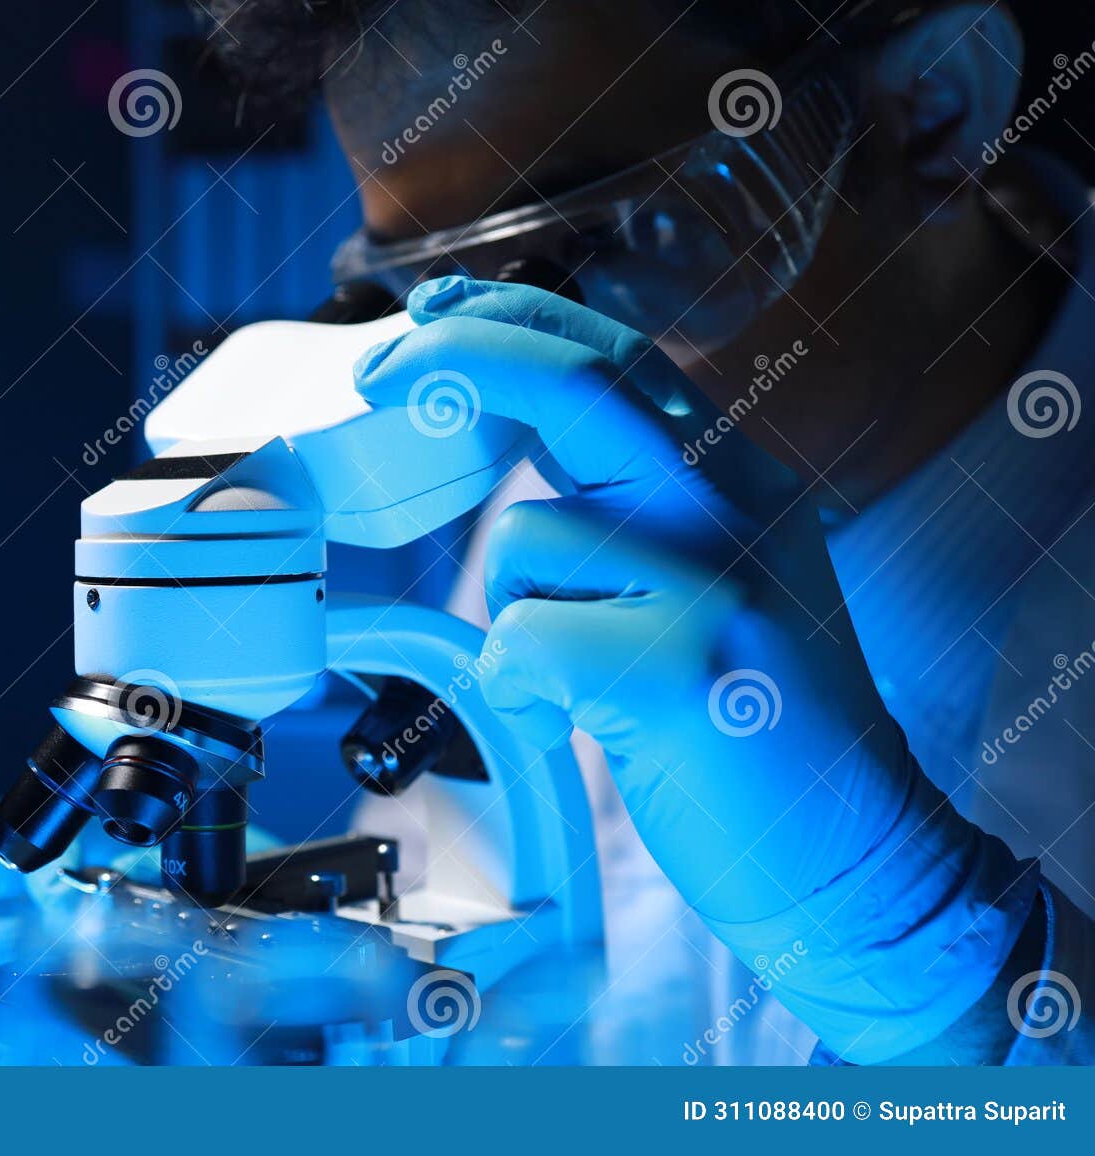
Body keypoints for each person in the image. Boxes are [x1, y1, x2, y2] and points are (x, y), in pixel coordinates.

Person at [205, 0, 1095, 1063]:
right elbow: (453, 943)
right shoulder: (572, 493)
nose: (518, 378)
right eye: (435, 295)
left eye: (604, 243)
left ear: (934, 104)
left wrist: (921, 965)